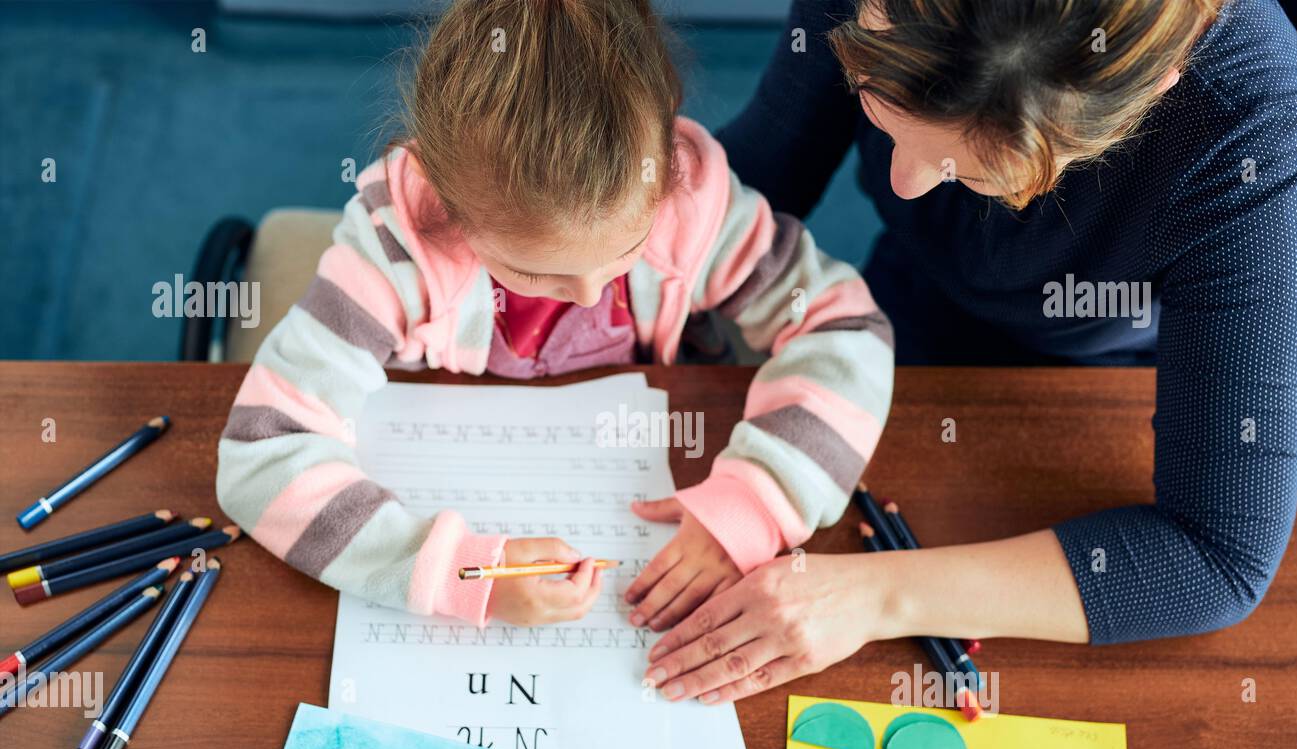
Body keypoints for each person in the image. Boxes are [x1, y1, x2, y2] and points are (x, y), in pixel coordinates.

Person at [641, 0, 1297, 705]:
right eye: (880, 113)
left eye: (977, 175)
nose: (903, 183)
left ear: (1151, 91)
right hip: (894, 318)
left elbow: (1217, 558)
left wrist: (871, 598)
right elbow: (759, 183)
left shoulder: (1250, 122)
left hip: (1098, 381)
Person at [215, 0, 894, 629]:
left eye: (626, 253)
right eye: (535, 272)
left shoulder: (689, 205)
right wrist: (460, 572)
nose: (593, 297)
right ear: (448, 201)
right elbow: (262, 455)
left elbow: (846, 328)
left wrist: (756, 504)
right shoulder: (395, 247)